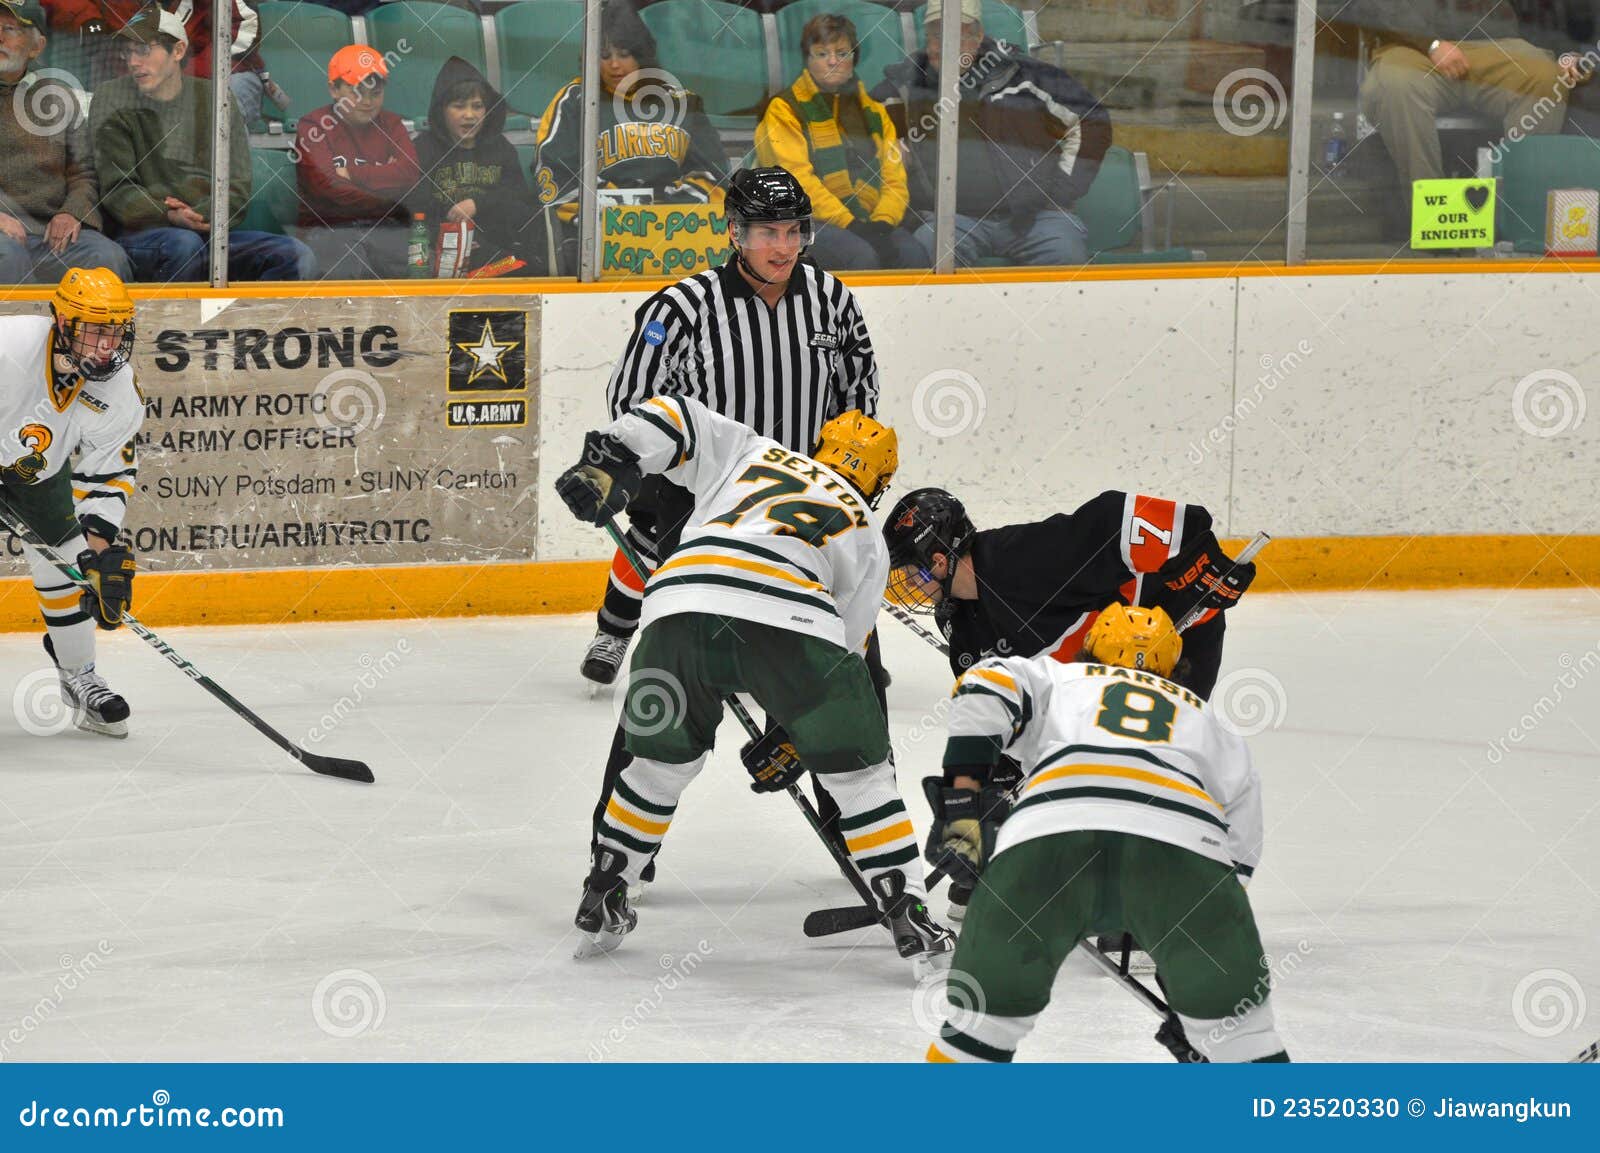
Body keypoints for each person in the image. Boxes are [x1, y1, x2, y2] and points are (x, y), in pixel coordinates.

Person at [555, 392, 954, 974]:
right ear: (882, 481)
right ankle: (907, 908)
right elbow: (843, 650)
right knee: (860, 775)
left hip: (675, 609)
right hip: (793, 622)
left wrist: (612, 459)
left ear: (818, 445)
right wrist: (798, 734)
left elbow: (675, 415)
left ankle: (606, 888)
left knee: (656, 767)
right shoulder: (866, 527)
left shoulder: (753, 452)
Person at [579, 165, 890, 887]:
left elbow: (860, 406)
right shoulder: (682, 307)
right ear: (734, 233)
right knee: (671, 684)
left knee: (853, 679)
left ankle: (862, 836)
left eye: (793, 232)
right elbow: (634, 405)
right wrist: (660, 497)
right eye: (766, 233)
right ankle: (619, 849)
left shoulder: (833, 300)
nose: (782, 247)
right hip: (709, 519)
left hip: (802, 528)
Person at [922, 603, 1286, 1062]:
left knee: (977, 1032)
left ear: (1090, 652)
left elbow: (984, 684)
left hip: (1048, 839)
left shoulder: (1062, 679)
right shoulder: (1214, 726)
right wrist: (1189, 990)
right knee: (1243, 1041)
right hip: (1183, 850)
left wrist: (962, 803)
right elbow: (1236, 861)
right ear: (1177, 669)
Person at [883, 486, 1255, 925]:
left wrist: (1195, 555)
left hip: (1172, 642)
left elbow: (1115, 515)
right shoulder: (964, 633)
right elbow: (1000, 716)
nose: (905, 589)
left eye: (909, 574)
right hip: (1095, 680)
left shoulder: (1020, 559)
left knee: (1146, 767)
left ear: (938, 559)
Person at [0, 267, 142, 738]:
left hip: (36, 475)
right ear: (62, 323)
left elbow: (109, 469)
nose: (108, 344)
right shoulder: (10, 345)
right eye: (96, 330)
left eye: (116, 331)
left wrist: (97, 551)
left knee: (67, 560)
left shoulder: (117, 386)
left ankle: (78, 674)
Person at [871, 0, 1110, 267]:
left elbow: (1092, 120)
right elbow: (867, 128)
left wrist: (1060, 192)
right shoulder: (904, 83)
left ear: (978, 37)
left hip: (1035, 217)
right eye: (937, 35)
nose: (945, 45)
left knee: (1065, 255)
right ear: (927, 39)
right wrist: (896, 149)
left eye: (958, 35)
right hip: (949, 221)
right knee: (926, 256)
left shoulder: (1025, 74)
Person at [88, 4, 313, 281]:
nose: (133, 61)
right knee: (185, 245)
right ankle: (172, 325)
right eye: (128, 51)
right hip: (142, 236)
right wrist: (168, 214)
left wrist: (196, 215)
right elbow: (117, 189)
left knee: (296, 255)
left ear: (179, 51)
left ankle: (247, 323)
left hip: (207, 232)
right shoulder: (111, 97)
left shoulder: (216, 97)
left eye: (144, 49)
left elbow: (237, 187)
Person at [532, 0, 727, 275]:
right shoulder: (574, 99)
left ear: (642, 54)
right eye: (604, 55)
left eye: (624, 54)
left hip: (677, 231)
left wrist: (664, 213)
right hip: (599, 232)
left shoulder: (681, 101)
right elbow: (553, 172)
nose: (614, 65)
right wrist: (619, 209)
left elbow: (713, 173)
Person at [755, 12, 926, 271]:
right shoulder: (784, 109)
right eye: (822, 54)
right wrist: (851, 224)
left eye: (842, 53)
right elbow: (798, 183)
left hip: (869, 218)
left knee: (913, 254)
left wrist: (882, 223)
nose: (833, 61)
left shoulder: (875, 112)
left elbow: (894, 178)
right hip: (799, 222)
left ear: (854, 59)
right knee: (861, 256)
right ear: (808, 60)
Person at [1354, 0, 1573, 187]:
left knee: (1546, 77)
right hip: (1410, 47)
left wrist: (1564, 54)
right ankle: (1430, 216)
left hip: (1494, 45)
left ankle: (1515, 212)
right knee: (1396, 83)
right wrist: (1431, 43)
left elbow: (1536, 9)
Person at [0, 1, 131, 283]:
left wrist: (72, 213)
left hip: (50, 234)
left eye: (9, 29)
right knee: (8, 257)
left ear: (36, 46)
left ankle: (100, 329)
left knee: (106, 258)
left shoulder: (57, 96)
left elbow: (83, 173)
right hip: (3, 235)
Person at [294, 43, 420, 280]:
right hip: (330, 229)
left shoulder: (391, 124)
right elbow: (328, 189)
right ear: (334, 89)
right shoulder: (313, 126)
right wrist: (389, 192)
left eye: (375, 93)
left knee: (422, 258)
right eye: (357, 91)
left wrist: (352, 173)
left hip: (386, 229)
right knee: (346, 261)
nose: (367, 101)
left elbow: (410, 173)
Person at [411, 55, 543, 276]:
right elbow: (416, 214)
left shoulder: (502, 149)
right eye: (459, 106)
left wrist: (478, 203)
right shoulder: (421, 150)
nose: (470, 115)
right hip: (440, 256)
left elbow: (520, 204)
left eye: (477, 106)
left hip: (499, 254)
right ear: (441, 110)